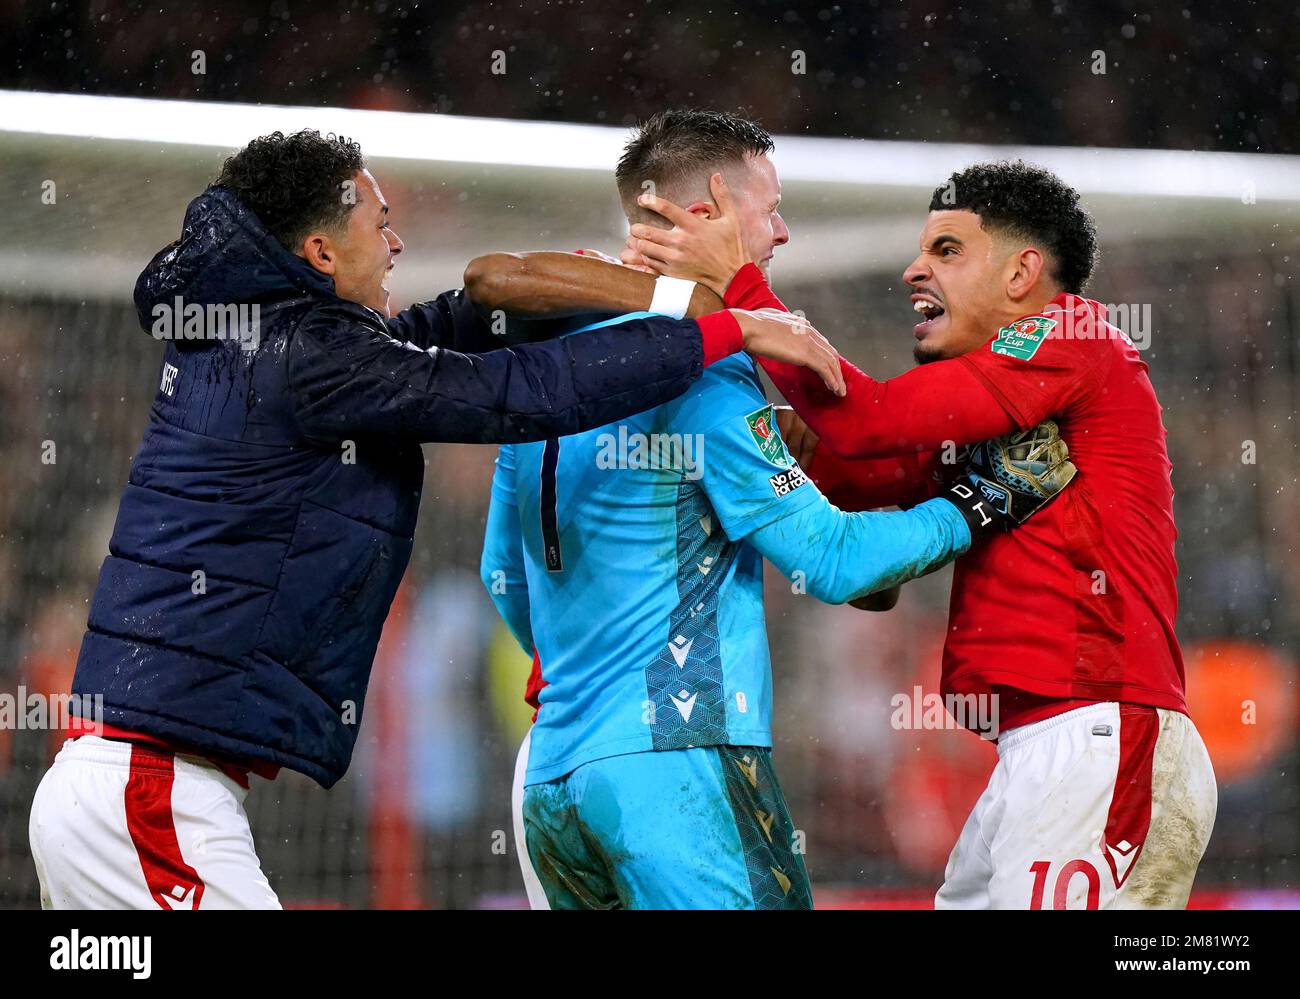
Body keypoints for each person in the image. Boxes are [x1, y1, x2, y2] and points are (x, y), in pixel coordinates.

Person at [26, 128, 846, 910]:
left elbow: (472, 311)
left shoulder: (273, 338)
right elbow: (514, 392)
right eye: (380, 226)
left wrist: (669, 295)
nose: (397, 246)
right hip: (147, 792)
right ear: (319, 251)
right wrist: (727, 327)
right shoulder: (305, 358)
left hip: (128, 784)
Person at [527, 150, 1218, 910]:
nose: (913, 269)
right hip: (1042, 746)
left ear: (1021, 275)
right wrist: (759, 438)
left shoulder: (1072, 334)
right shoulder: (1004, 409)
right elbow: (862, 476)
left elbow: (867, 422)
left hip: (1101, 732)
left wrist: (746, 304)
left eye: (946, 250)